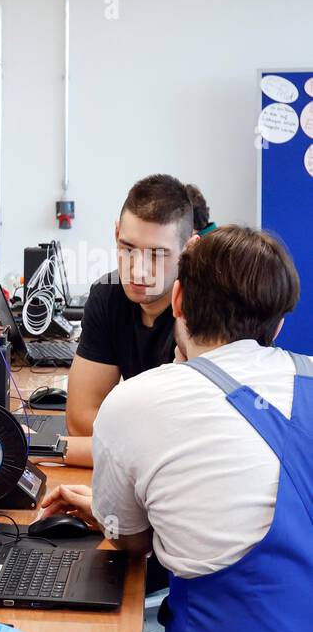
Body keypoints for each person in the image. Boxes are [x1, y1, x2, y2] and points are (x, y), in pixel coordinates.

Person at [36, 226, 308, 632]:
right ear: (279, 325)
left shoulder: (141, 399)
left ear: (178, 299)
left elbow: (132, 545)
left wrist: (113, 514)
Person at [63, 175, 208, 467]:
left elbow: (188, 444)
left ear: (190, 249)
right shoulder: (108, 295)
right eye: (128, 248)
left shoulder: (208, 311)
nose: (138, 271)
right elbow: (80, 421)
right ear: (117, 232)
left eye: (157, 254)